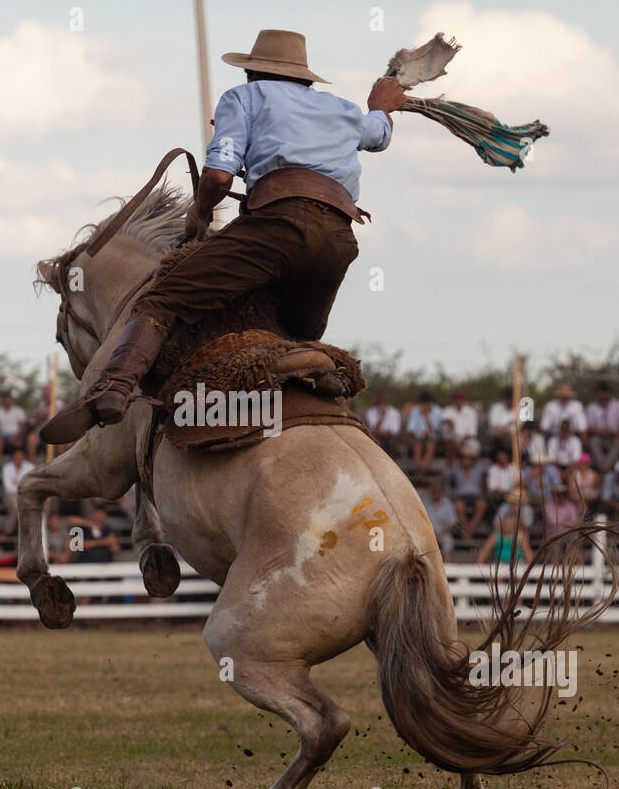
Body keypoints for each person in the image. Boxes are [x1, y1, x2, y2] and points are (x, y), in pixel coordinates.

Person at [40, 29, 406, 443]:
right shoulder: (344, 109)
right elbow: (378, 135)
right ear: (306, 79)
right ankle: (312, 380)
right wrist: (381, 105)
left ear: (252, 73)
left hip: (276, 226)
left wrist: (198, 215)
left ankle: (113, 388)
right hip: (338, 240)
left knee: (162, 298)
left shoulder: (243, 99)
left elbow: (217, 175)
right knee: (294, 330)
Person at [448, 440, 487, 540]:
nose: (466, 460)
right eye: (464, 457)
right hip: (460, 495)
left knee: (482, 505)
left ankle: (470, 530)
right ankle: (466, 532)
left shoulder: (479, 468)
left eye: (468, 458)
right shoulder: (456, 469)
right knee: (458, 506)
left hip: (476, 495)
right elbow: (446, 472)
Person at [585, 381, 619, 472]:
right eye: (601, 392)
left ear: (609, 393)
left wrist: (618, 432)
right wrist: (600, 432)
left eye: (605, 392)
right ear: (597, 393)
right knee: (593, 441)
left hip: (615, 433)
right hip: (598, 434)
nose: (603, 395)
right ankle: (603, 466)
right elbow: (589, 427)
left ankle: (607, 466)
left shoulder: (618, 405)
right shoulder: (591, 407)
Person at [0, 449, 35, 536]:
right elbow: (8, 487)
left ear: (23, 456)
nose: (18, 457)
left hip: (26, 495)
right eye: (16, 455)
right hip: (10, 496)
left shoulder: (30, 467)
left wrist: (16, 483)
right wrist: (22, 484)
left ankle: (7, 532)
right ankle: (21, 532)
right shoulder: (7, 468)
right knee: (17, 508)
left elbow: (31, 485)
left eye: (20, 455)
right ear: (13, 457)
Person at [406, 392, 443, 475]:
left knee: (430, 444)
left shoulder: (438, 411)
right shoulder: (415, 410)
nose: (425, 406)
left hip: (432, 437)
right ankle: (421, 469)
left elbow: (436, 430)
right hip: (418, 437)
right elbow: (411, 429)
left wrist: (426, 417)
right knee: (417, 447)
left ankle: (420, 471)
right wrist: (423, 432)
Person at [423, 482, 458, 563]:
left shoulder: (447, 503)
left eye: (437, 492)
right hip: (428, 533)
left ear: (440, 492)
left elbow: (452, 523)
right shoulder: (425, 503)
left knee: (448, 542)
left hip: (443, 533)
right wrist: (431, 534)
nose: (435, 494)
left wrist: (441, 534)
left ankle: (447, 569)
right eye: (433, 492)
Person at [0, 392, 29, 463]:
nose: (7, 400)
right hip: (2, 435)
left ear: (11, 399)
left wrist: (15, 437)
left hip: (15, 435)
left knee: (18, 443)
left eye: (8, 398)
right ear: (2, 400)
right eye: (5, 398)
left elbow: (22, 428)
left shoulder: (18, 411)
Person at [363, 391, 402, 457]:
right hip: (377, 437)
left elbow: (394, 431)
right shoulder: (370, 412)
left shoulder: (394, 412)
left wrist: (380, 432)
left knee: (390, 441)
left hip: (389, 438)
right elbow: (373, 429)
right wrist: (382, 416)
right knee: (377, 440)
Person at [440, 389, 478, 457]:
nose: (458, 401)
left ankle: (460, 455)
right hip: (452, 439)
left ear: (464, 400)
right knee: (445, 428)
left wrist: (461, 442)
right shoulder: (448, 410)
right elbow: (443, 423)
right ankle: (452, 457)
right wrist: (449, 422)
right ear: (452, 400)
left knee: (475, 446)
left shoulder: (471, 412)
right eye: (456, 399)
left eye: (460, 399)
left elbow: (472, 432)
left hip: (466, 439)